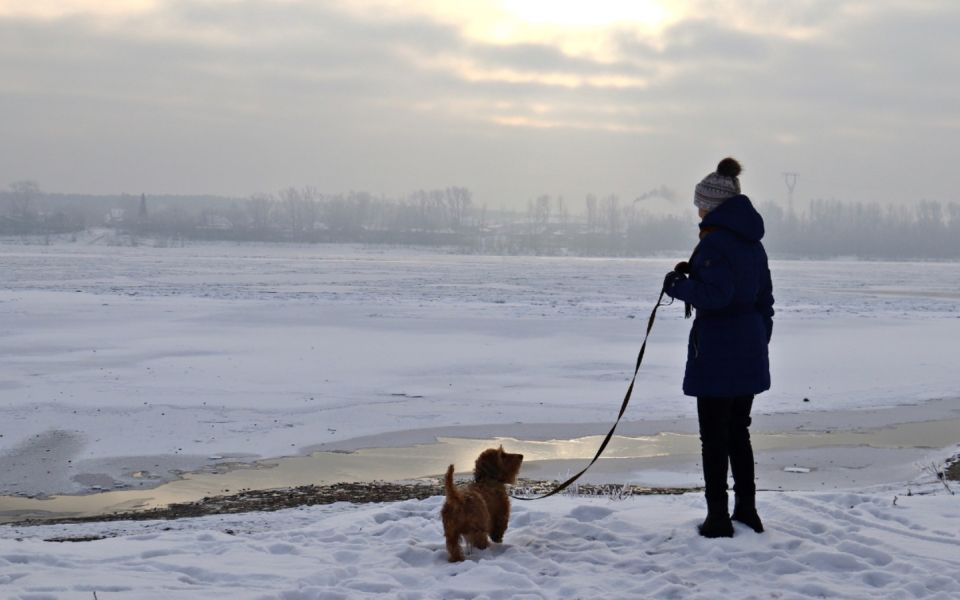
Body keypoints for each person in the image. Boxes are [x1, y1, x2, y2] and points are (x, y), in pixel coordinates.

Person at [662, 157, 773, 538]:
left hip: (718, 352)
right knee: (739, 432)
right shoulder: (752, 243)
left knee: (714, 438)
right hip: (748, 348)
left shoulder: (716, 242)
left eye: (700, 204)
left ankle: (718, 518)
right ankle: (747, 511)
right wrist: (758, 338)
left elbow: (717, 295)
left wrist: (678, 286)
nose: (697, 210)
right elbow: (764, 300)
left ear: (711, 205)